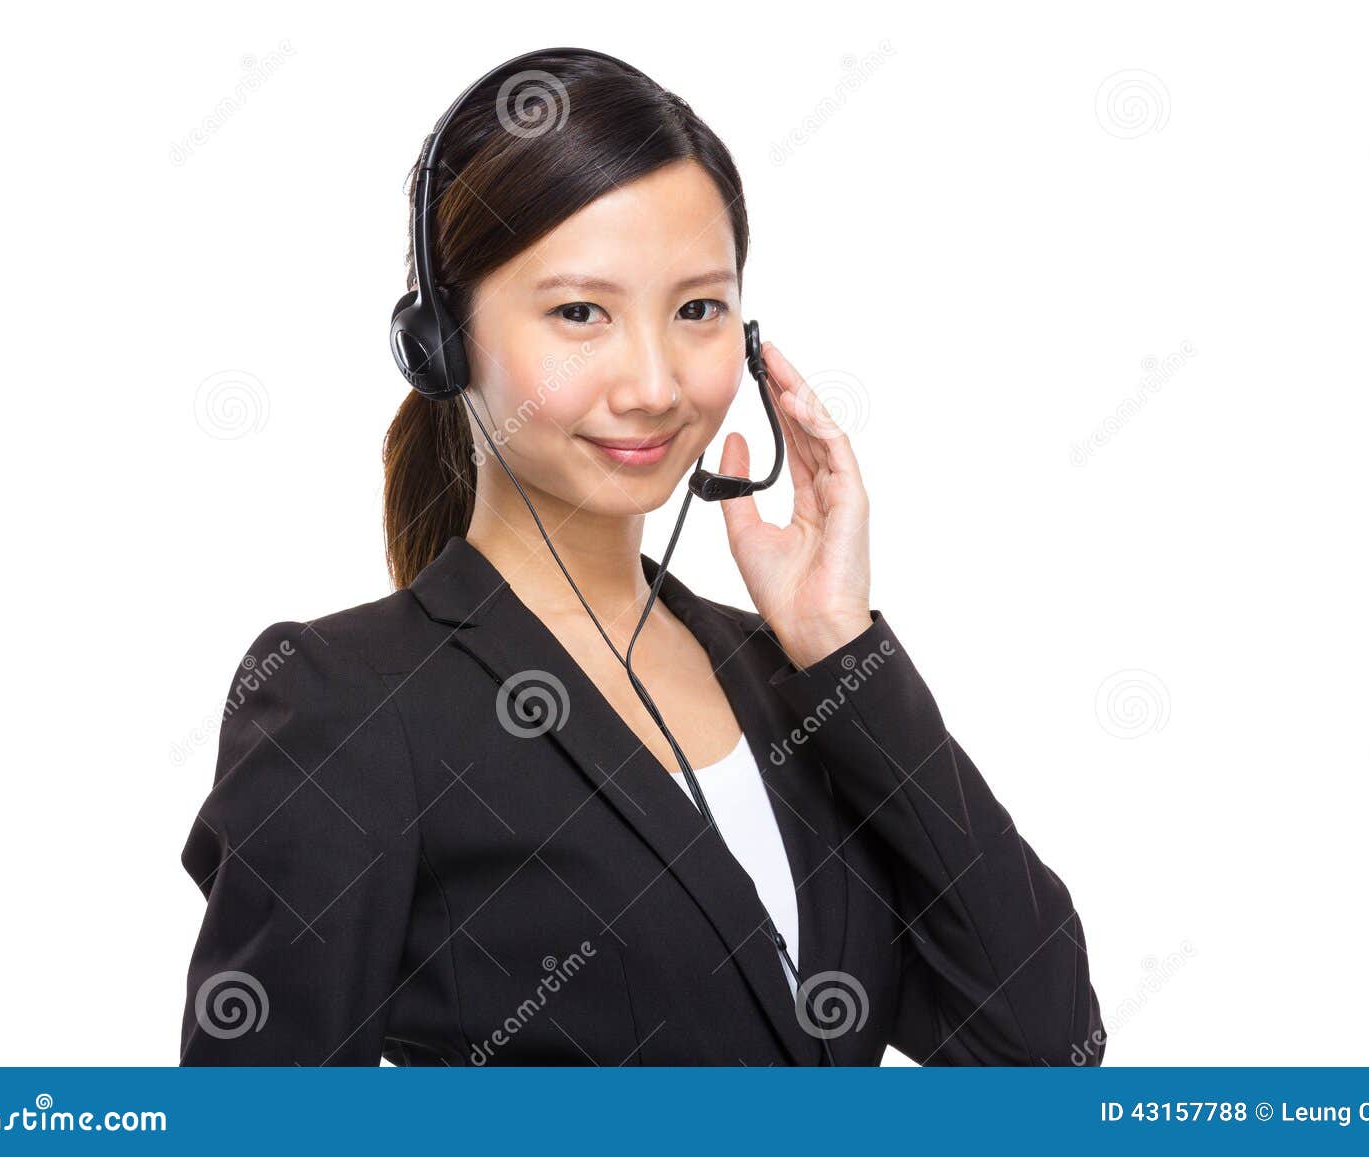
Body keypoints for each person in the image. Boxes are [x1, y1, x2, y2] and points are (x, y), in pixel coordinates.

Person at [178, 47, 1104, 1067]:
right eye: (581, 313)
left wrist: (838, 645)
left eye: (698, 309)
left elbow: (1045, 1045)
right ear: (443, 338)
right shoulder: (347, 703)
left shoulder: (787, 681)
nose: (655, 383)